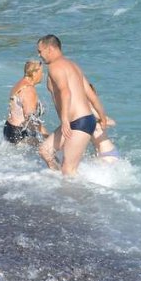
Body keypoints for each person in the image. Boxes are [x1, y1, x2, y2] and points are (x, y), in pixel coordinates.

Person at [35, 33, 113, 176]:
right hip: (80, 121)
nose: (39, 55)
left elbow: (66, 93)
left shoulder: (55, 67)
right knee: (45, 151)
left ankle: (77, 196)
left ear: (50, 49)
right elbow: (92, 96)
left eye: (40, 51)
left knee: (68, 170)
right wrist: (102, 117)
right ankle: (58, 183)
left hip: (79, 122)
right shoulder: (73, 66)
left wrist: (64, 120)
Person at [3, 58, 49, 148]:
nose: (43, 75)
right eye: (41, 72)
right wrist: (46, 135)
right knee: (48, 150)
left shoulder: (19, 84)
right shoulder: (29, 90)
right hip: (19, 133)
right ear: (34, 73)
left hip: (9, 129)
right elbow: (31, 118)